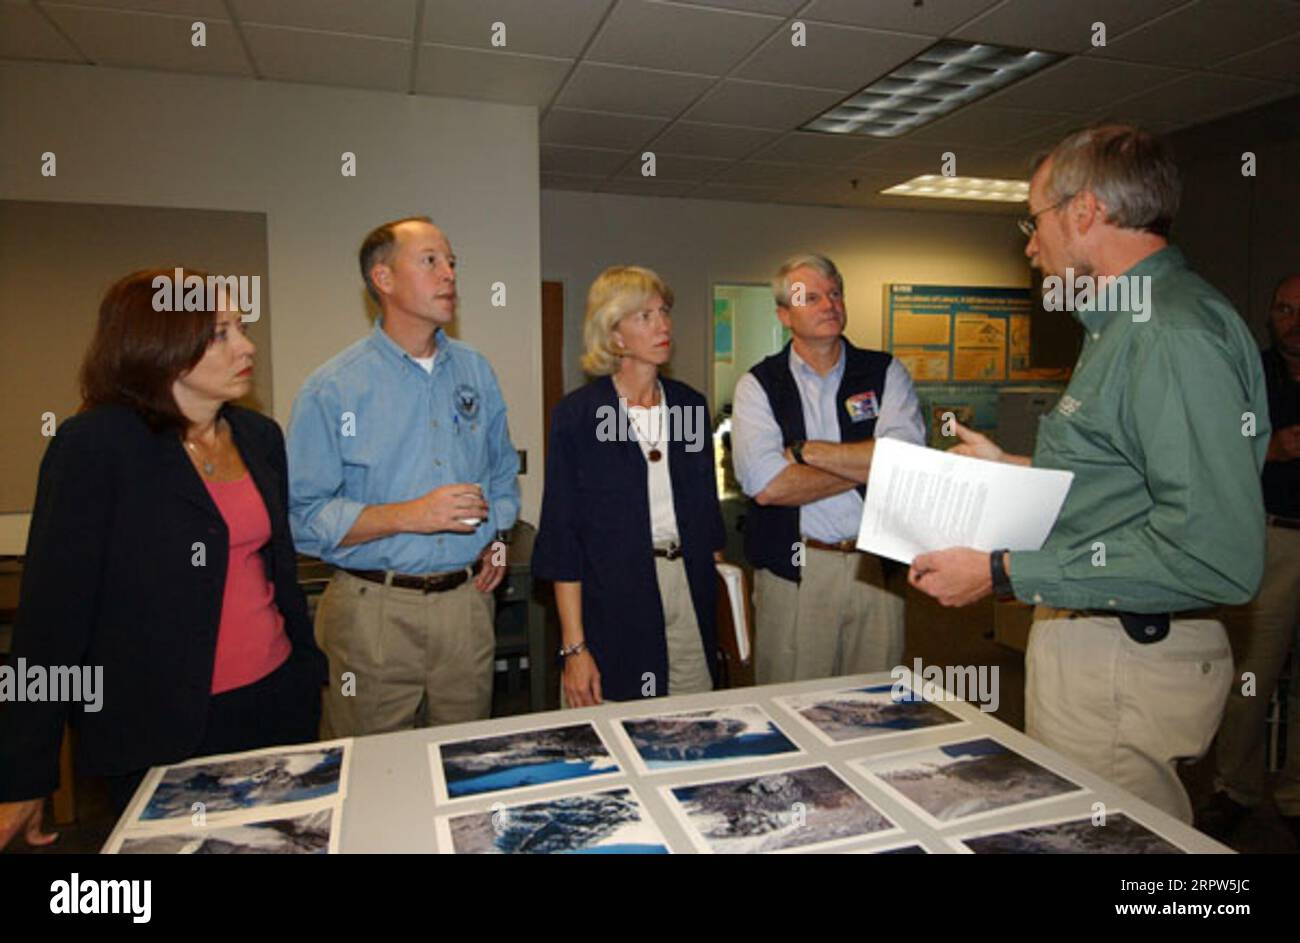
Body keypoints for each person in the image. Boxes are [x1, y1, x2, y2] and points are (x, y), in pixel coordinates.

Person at [908, 125, 1268, 823]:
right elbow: (1126, 481)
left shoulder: (1168, 334)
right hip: (1102, 645)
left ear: (1084, 211)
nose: (1030, 245)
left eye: (1035, 220)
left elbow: (1213, 551)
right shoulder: (1125, 326)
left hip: (1121, 656)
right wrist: (1012, 466)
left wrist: (1002, 571)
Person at [0, 268, 326, 849]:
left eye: (241, 327)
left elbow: (273, 571)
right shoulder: (95, 448)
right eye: (220, 332)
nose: (246, 345)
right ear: (162, 347)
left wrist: (307, 672)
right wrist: (23, 777)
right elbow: (50, 624)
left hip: (275, 706)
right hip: (156, 729)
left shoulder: (258, 436)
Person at [287, 216, 519, 736]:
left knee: (466, 763)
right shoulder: (333, 389)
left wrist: (496, 539)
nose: (449, 275)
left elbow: (502, 474)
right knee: (370, 773)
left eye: (452, 262)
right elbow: (304, 517)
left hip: (466, 608)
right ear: (383, 279)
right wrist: (411, 516)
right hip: (374, 612)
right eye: (430, 261)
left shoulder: (476, 373)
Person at [533, 266, 724, 705]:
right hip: (614, 592)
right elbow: (564, 537)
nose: (663, 325)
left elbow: (705, 515)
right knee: (614, 731)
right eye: (644, 316)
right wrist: (574, 647)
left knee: (695, 720)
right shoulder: (579, 415)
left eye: (663, 312)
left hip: (687, 586)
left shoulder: (689, 405)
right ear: (615, 335)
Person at [730, 254, 924, 685]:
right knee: (793, 704)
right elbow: (768, 487)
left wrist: (806, 453)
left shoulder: (884, 371)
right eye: (811, 297)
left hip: (875, 567)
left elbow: (907, 460)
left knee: (876, 703)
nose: (828, 305)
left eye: (834, 293)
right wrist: (870, 463)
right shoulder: (759, 385)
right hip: (797, 568)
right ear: (784, 314)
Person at [1199, 273, 1300, 844]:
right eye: (1284, 309)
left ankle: (1294, 792)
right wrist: (1270, 449)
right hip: (1270, 538)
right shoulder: (1252, 373)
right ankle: (1233, 789)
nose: (1294, 322)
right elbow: (1211, 450)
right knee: (1252, 676)